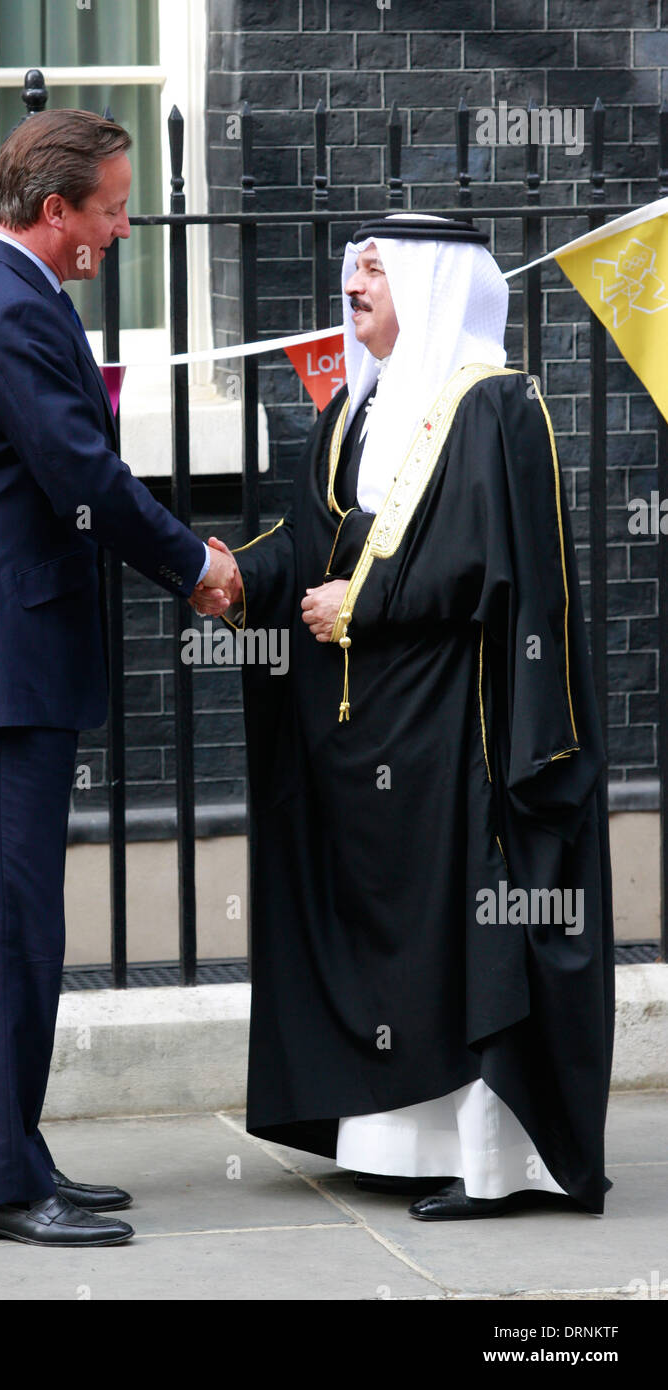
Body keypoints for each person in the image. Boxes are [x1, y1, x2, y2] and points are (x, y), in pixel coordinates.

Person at [194, 214, 615, 1220]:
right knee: (394, 936)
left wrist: (365, 605)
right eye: (353, 267)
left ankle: (488, 1164)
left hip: (461, 730)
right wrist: (238, 582)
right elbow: (311, 545)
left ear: (431, 286)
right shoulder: (351, 408)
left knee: (463, 925)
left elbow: (495, 563)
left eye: (378, 268)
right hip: (373, 733)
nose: (356, 281)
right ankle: (395, 1138)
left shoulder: (495, 406)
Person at [0, 109, 236, 1247]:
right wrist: (193, 562)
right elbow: (82, 475)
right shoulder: (10, 313)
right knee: (0, 927)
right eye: (112, 206)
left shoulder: (7, 297)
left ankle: (8, 1150)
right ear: (56, 213)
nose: (124, 224)